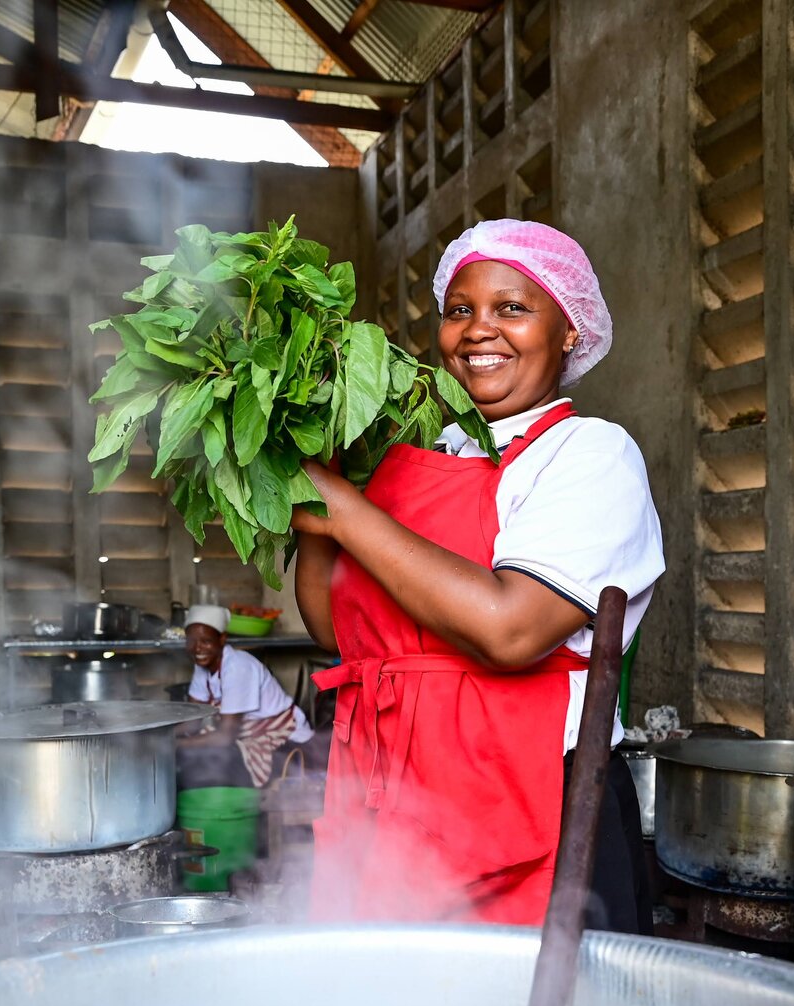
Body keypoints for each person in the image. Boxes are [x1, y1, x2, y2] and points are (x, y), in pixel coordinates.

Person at [292, 219, 664, 931]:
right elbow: (340, 631)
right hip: (401, 811)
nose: (478, 330)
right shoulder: (416, 456)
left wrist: (342, 513)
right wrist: (314, 489)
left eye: (512, 308)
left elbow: (510, 627)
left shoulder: (591, 456)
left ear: (569, 334)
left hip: (543, 818)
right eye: (460, 309)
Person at [177, 605, 313, 789]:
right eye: (191, 641)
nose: (197, 648)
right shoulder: (203, 665)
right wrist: (161, 737)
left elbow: (225, 737)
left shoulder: (238, 668)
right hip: (245, 733)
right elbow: (193, 719)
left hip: (284, 740)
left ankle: (232, 806)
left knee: (215, 757)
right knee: (193, 751)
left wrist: (175, 745)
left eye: (205, 641)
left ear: (222, 639)